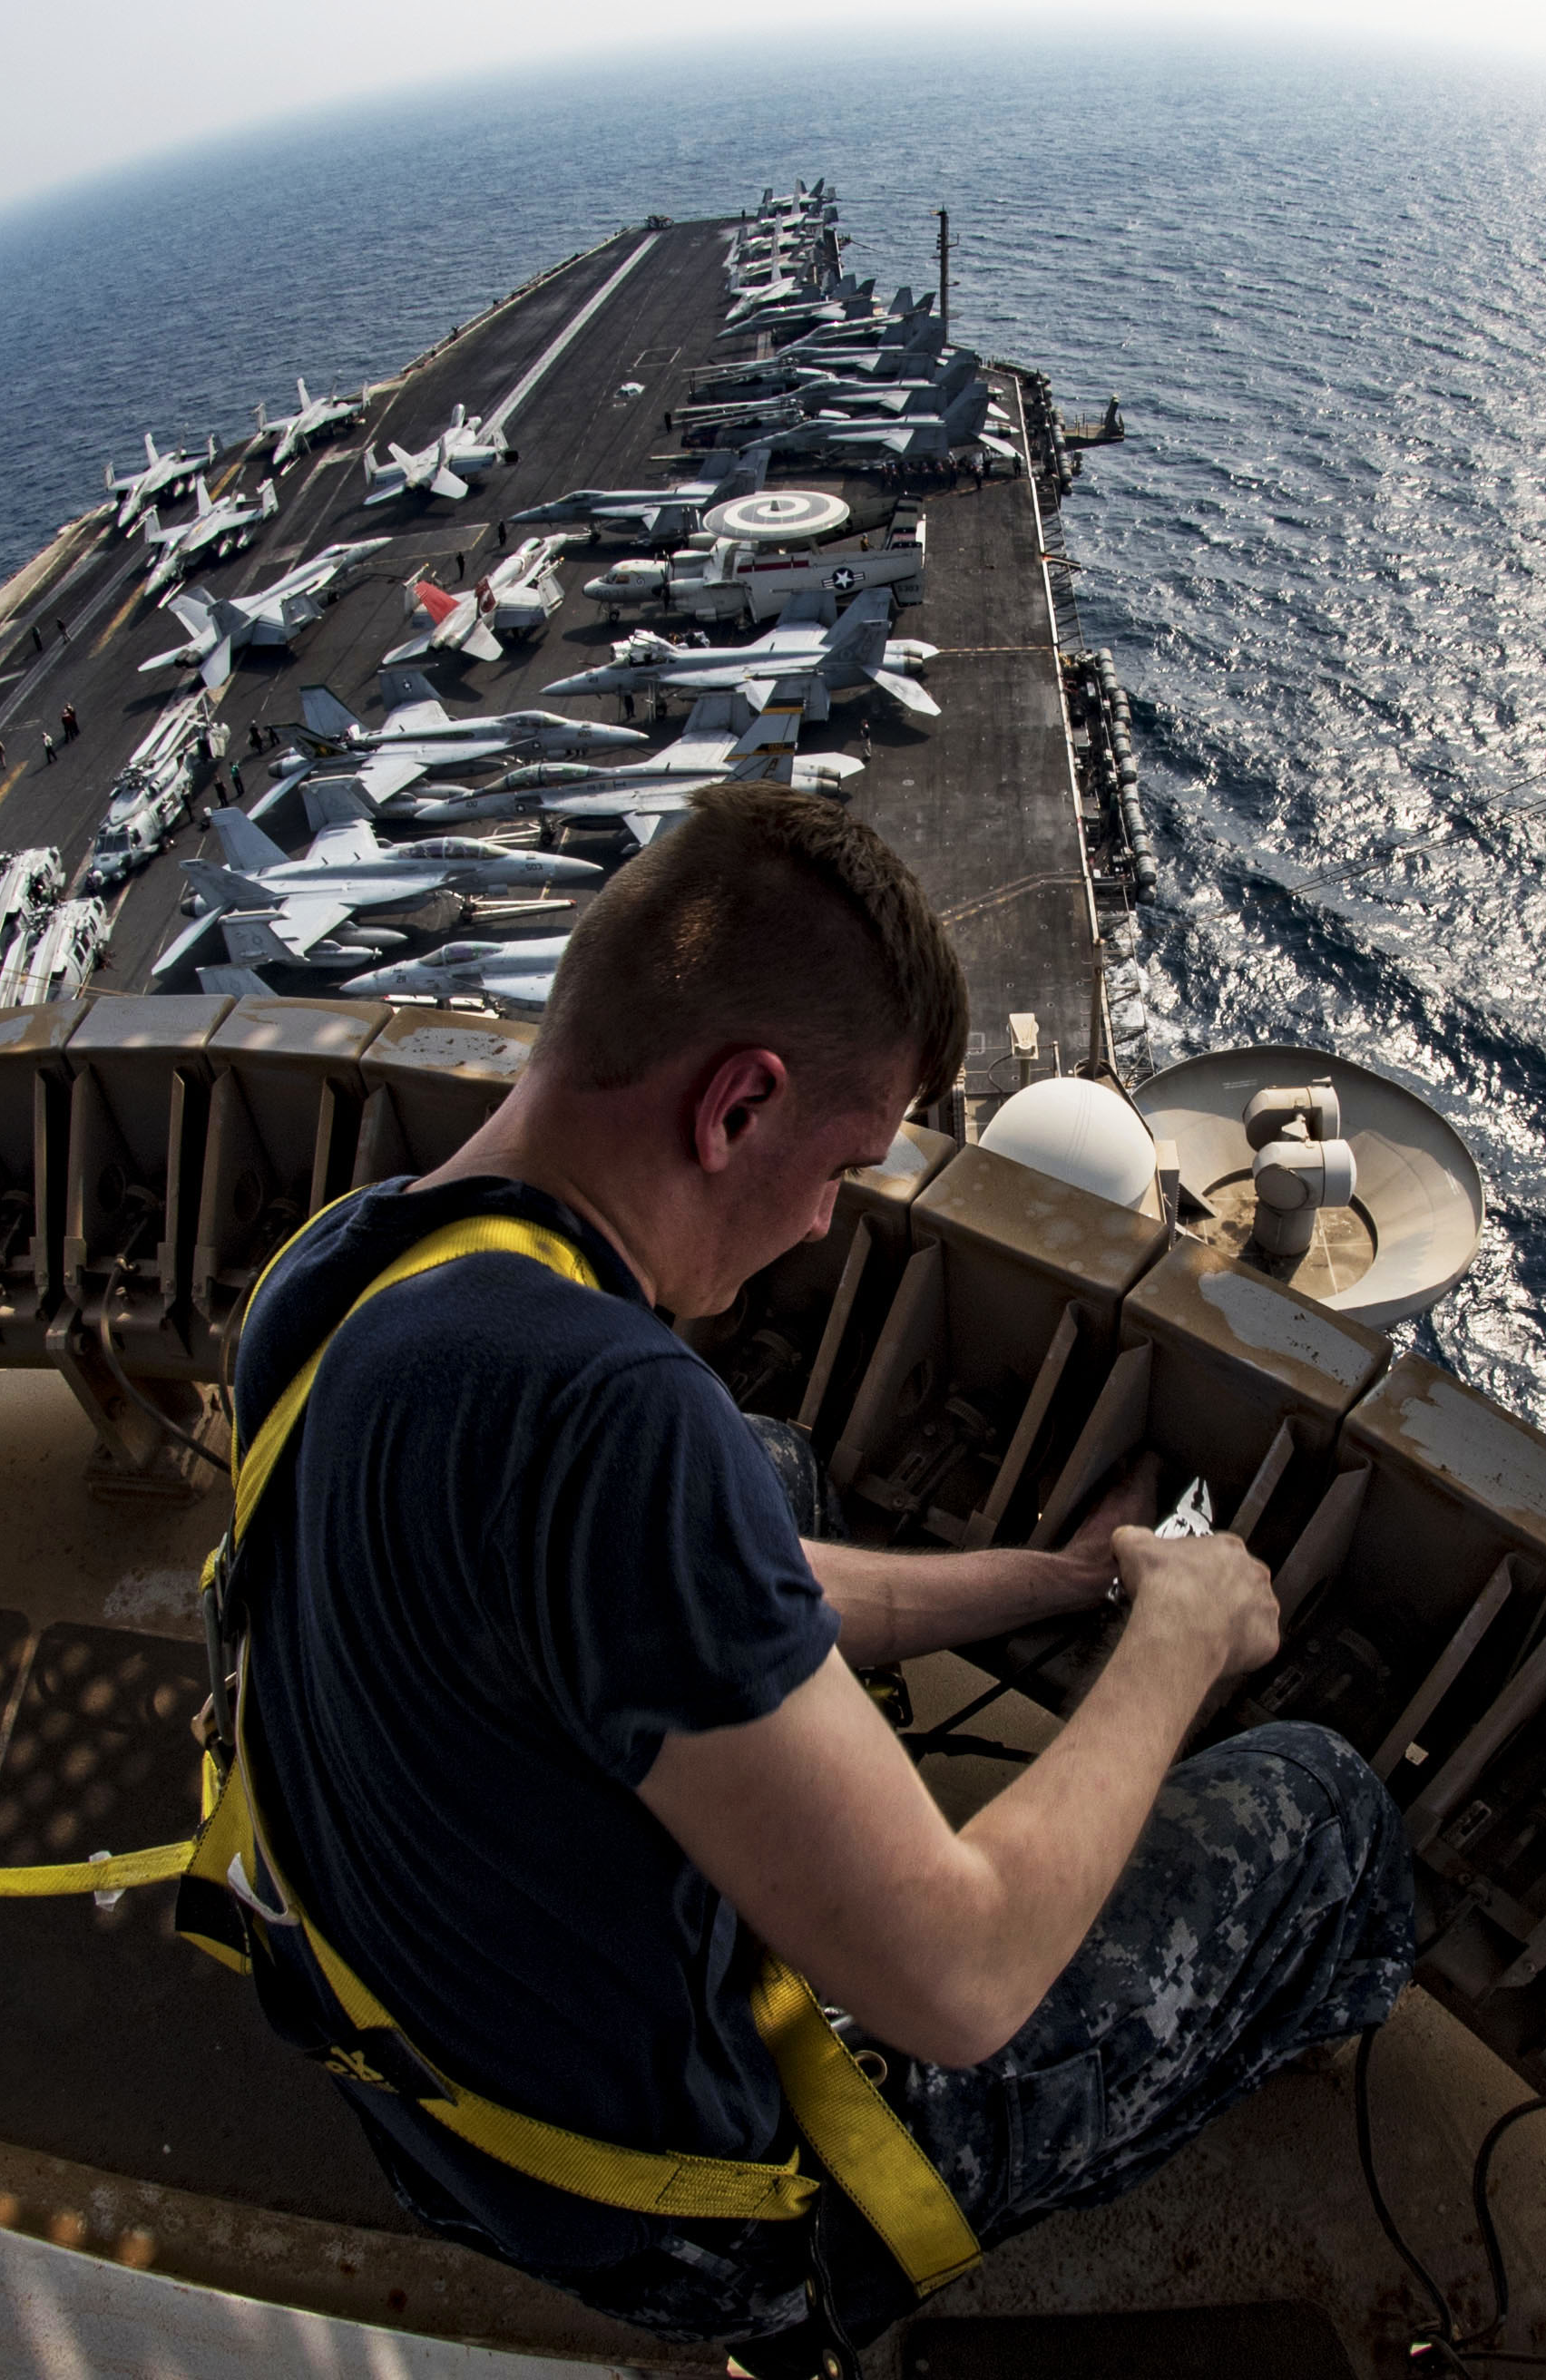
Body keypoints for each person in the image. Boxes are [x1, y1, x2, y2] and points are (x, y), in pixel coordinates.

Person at [223, 786, 1411, 2364]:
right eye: (837, 1165)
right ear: (734, 1110)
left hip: (412, 2066)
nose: (820, 1223)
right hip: (659, 2210)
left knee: (765, 1460)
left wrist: (1052, 1583)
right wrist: (1176, 1639)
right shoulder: (616, 1424)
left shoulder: (347, 1267)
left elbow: (736, 1571)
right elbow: (964, 1978)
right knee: (1323, 1809)